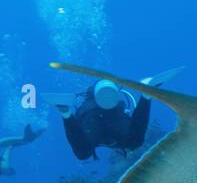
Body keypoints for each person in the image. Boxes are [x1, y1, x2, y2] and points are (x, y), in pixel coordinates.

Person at [46, 67, 183, 161]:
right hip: (112, 113)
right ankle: (146, 95)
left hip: (91, 114)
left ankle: (66, 114)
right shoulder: (118, 133)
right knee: (135, 142)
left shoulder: (89, 104)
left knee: (83, 153)